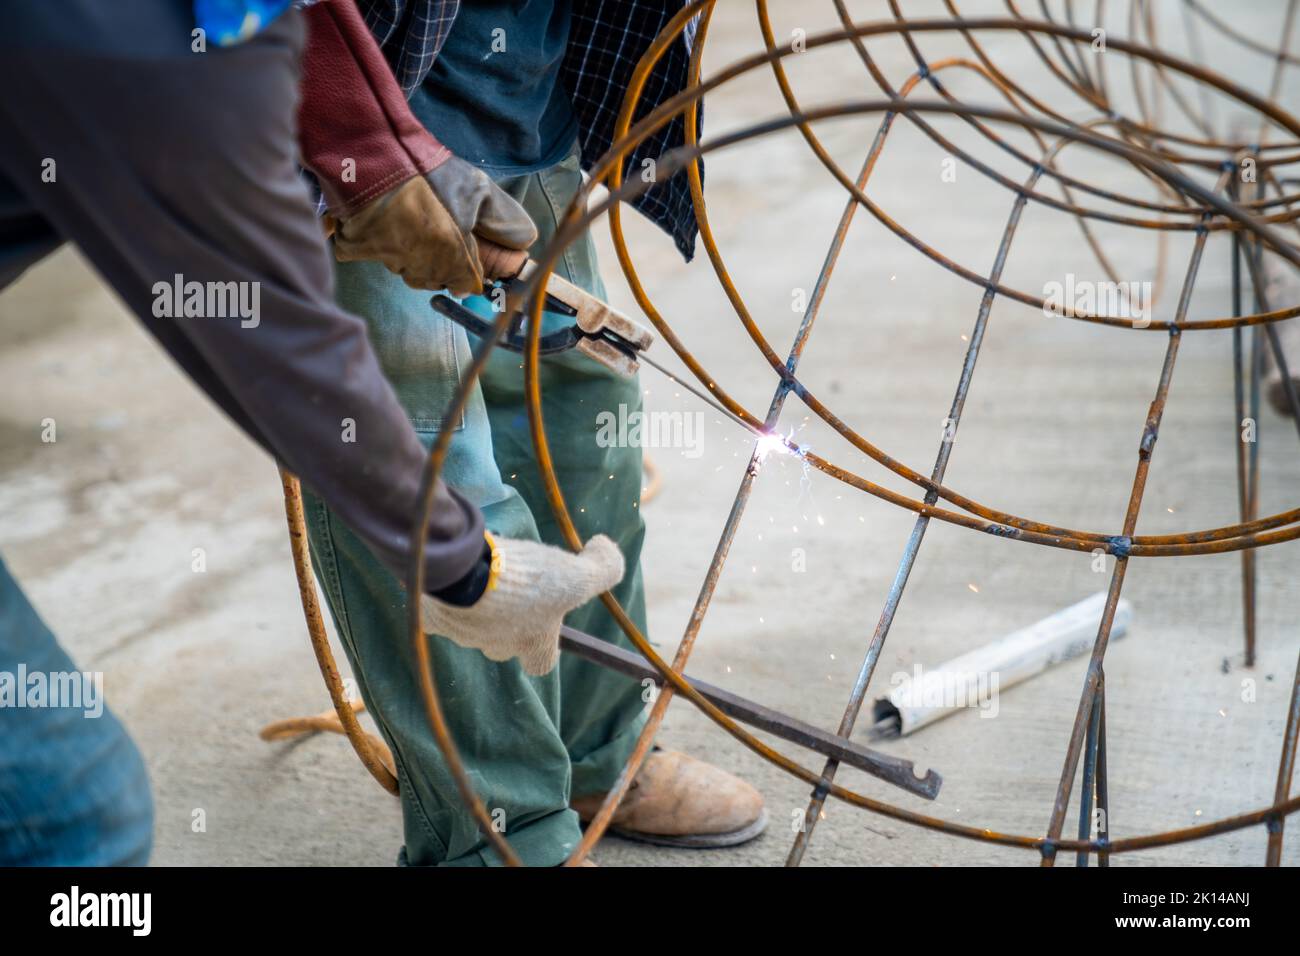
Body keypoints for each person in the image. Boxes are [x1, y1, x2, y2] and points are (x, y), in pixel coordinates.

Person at [0, 0, 616, 865]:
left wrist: (387, 159)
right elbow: (270, 341)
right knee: (71, 819)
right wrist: (466, 568)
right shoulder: (123, 44)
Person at [298, 0, 767, 868]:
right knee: (440, 472)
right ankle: (499, 830)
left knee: (585, 437)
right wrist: (357, 156)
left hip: (533, 110)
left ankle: (596, 753)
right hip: (382, 138)